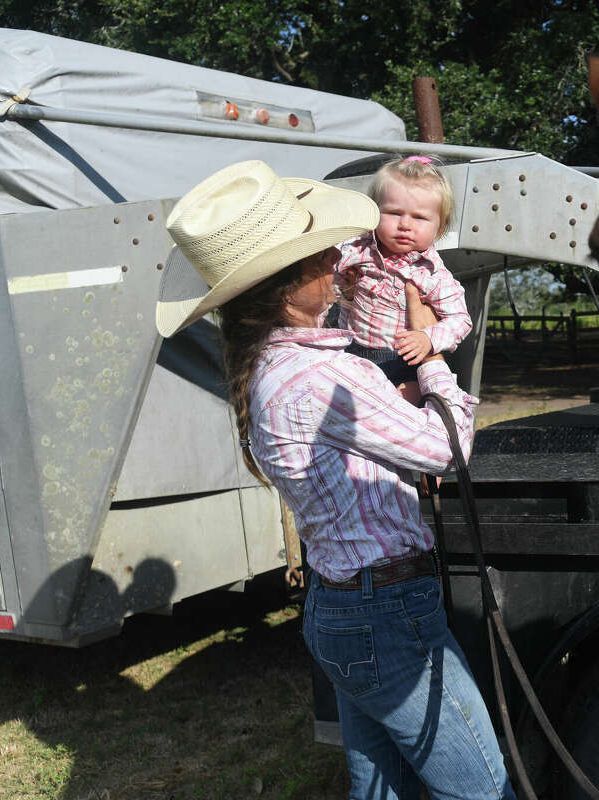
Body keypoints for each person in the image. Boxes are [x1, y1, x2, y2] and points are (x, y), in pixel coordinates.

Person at [155, 160, 515, 800]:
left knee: (379, 787)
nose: (334, 264)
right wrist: (431, 359)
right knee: (481, 789)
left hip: (345, 603)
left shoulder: (274, 365)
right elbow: (448, 448)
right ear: (288, 286)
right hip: (386, 611)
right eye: (318, 258)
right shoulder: (325, 377)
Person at [334, 155, 472, 406]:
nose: (405, 225)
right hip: (353, 354)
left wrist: (429, 338)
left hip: (402, 360)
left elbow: (461, 319)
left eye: (419, 218)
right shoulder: (356, 250)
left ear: (439, 228)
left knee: (410, 396)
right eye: (394, 213)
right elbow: (325, 280)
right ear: (374, 213)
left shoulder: (431, 274)